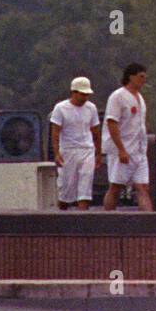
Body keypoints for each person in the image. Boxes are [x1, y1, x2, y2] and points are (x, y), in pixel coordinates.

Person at [102, 62, 153, 212]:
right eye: (141, 77)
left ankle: (149, 225)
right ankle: (107, 220)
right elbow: (112, 123)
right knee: (116, 187)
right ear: (131, 77)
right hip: (122, 151)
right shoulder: (118, 96)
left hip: (139, 151)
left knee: (143, 187)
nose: (144, 80)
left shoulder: (140, 98)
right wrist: (121, 149)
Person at [50, 77, 102, 211]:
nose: (85, 97)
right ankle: (62, 215)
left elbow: (96, 132)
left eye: (87, 95)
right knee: (66, 190)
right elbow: (55, 133)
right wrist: (56, 153)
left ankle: (83, 220)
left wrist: (98, 153)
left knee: (85, 187)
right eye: (82, 94)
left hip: (87, 150)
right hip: (68, 150)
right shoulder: (60, 108)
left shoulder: (91, 108)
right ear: (74, 92)